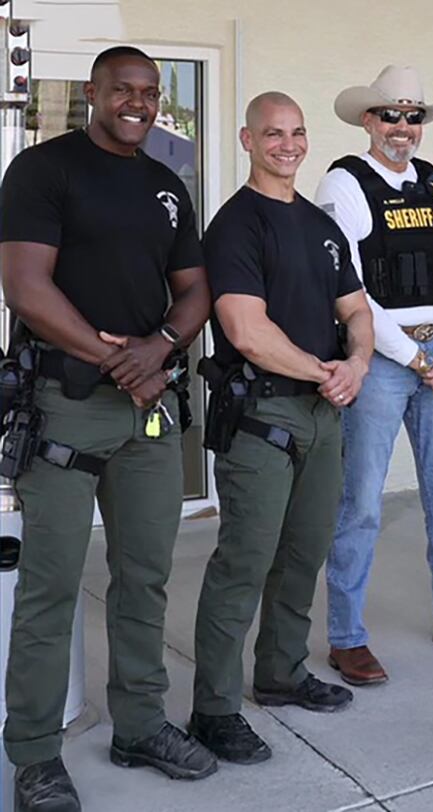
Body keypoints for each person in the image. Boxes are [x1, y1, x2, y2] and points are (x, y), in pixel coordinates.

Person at [0, 46, 216, 811]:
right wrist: (119, 360)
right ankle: (33, 755)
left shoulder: (166, 185)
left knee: (144, 577)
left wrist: (164, 346)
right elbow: (25, 288)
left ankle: (140, 725)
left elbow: (195, 287)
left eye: (150, 92)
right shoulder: (43, 171)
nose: (138, 103)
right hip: (67, 405)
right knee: (51, 586)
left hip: (148, 411)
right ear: (92, 92)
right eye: (123, 89)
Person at [188, 92, 373, 764]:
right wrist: (327, 371)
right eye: (273, 133)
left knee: (304, 552)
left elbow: (357, 309)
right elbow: (246, 330)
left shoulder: (322, 227)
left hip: (324, 414)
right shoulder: (236, 225)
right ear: (247, 140)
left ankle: (282, 672)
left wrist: (357, 362)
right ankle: (213, 711)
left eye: (296, 133)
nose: (288, 145)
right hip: (263, 416)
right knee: (244, 562)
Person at [315, 65, 433, 688]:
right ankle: (346, 637)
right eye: (390, 114)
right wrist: (420, 362)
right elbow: (350, 291)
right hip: (382, 362)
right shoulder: (345, 183)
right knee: (361, 504)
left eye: (413, 116)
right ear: (368, 120)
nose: (402, 126)